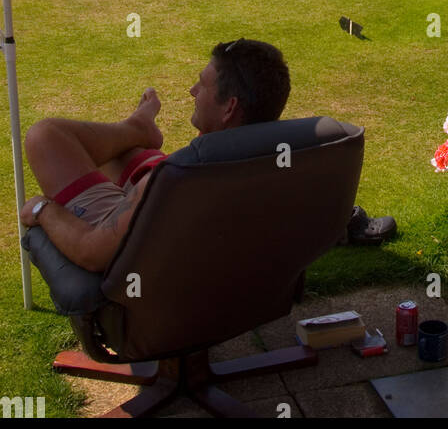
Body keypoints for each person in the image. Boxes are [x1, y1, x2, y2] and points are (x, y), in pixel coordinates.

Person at [19, 40, 291, 273]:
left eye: (202, 84)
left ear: (229, 108)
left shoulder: (175, 180)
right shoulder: (286, 162)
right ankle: (136, 130)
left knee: (45, 137)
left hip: (141, 258)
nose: (193, 91)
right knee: (127, 154)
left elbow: (89, 252)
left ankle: (135, 129)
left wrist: (43, 209)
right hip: (194, 240)